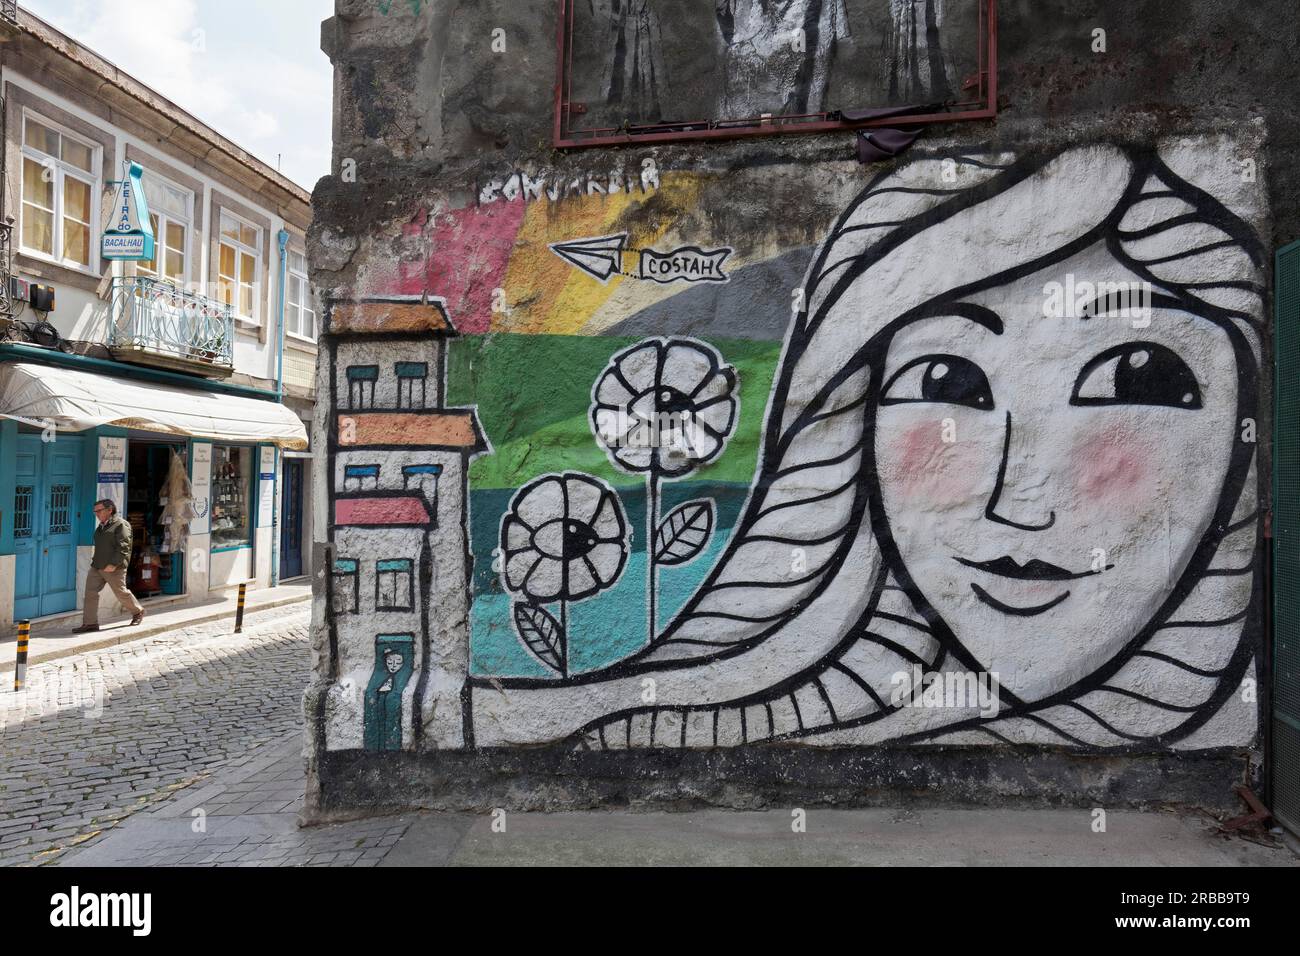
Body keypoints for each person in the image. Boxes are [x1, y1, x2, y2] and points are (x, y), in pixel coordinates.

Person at [74, 499, 145, 633]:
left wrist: (114, 564)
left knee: (121, 593)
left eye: (99, 511)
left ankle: (137, 611)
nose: (96, 514)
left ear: (109, 510)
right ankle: (90, 624)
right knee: (90, 593)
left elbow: (124, 547)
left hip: (114, 567)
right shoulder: (101, 526)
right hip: (97, 566)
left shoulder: (121, 525)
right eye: (95, 511)